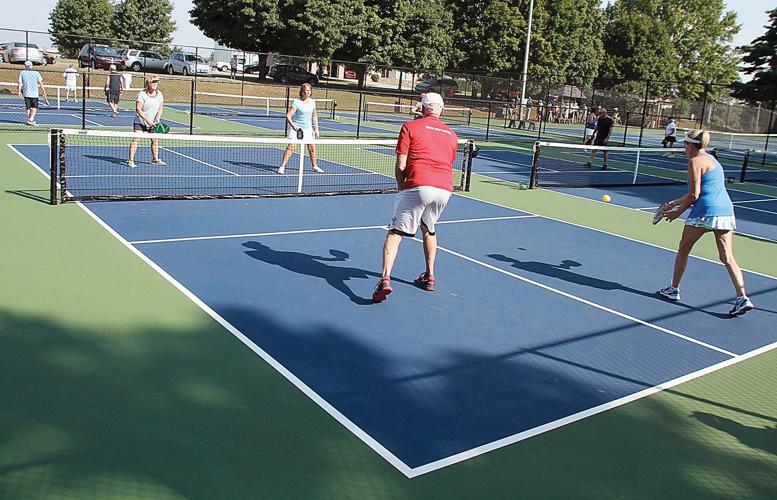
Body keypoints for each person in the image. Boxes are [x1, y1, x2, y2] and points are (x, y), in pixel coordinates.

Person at [372, 92, 459, 303]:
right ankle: (430, 276)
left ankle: (385, 279)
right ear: (442, 109)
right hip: (444, 189)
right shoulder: (452, 135)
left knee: (395, 233)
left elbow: (401, 164)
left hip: (418, 184)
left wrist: (401, 187)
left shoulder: (410, 127)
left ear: (423, 108)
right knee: (429, 228)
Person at [656, 129, 754, 317]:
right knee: (727, 257)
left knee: (683, 249)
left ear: (691, 146)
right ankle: (743, 298)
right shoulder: (713, 160)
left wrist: (677, 213)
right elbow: (701, 190)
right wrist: (675, 202)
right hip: (725, 211)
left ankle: (673, 289)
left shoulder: (694, 161)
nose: (684, 148)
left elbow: (695, 194)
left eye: (685, 145)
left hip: (705, 211)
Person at [277, 83, 322, 174]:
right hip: (297, 129)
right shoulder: (297, 102)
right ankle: (282, 166)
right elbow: (288, 115)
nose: (308, 92)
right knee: (291, 147)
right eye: (306, 90)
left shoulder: (312, 102)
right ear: (302, 91)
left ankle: (315, 166)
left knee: (312, 148)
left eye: (309, 90)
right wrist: (293, 126)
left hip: (308, 129)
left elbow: (314, 115)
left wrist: (316, 128)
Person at [128, 76, 165, 168]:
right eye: (153, 82)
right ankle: (131, 160)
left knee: (155, 140)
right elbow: (138, 109)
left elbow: (160, 108)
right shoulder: (142, 94)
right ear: (148, 83)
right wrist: (147, 120)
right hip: (140, 122)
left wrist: (157, 118)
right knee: (136, 139)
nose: (155, 84)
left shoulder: (159, 94)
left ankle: (155, 159)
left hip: (153, 123)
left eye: (156, 82)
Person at [17, 60, 47, 126]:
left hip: (26, 93)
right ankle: (31, 119)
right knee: (34, 107)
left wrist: (19, 91)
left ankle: (29, 120)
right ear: (32, 66)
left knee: (28, 107)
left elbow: (20, 83)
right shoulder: (36, 73)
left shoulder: (22, 73)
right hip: (34, 94)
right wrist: (43, 92)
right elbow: (41, 83)